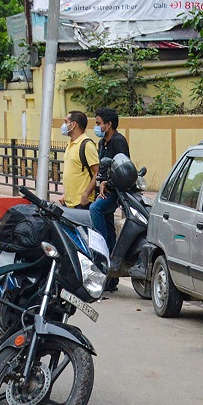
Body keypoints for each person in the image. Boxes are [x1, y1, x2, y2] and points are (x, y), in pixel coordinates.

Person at [90, 107, 130, 291]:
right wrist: (100, 182)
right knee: (107, 225)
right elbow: (102, 168)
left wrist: (107, 182)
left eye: (98, 123)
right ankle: (111, 276)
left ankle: (101, 248)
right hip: (104, 189)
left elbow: (122, 168)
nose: (96, 127)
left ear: (109, 124)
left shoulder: (119, 142)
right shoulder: (102, 143)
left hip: (116, 190)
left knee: (95, 209)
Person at [59, 110, 98, 208]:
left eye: (66, 122)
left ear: (74, 124)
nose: (63, 125)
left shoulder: (86, 145)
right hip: (68, 202)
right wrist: (65, 194)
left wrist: (86, 194)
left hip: (82, 203)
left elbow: (97, 172)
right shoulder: (70, 144)